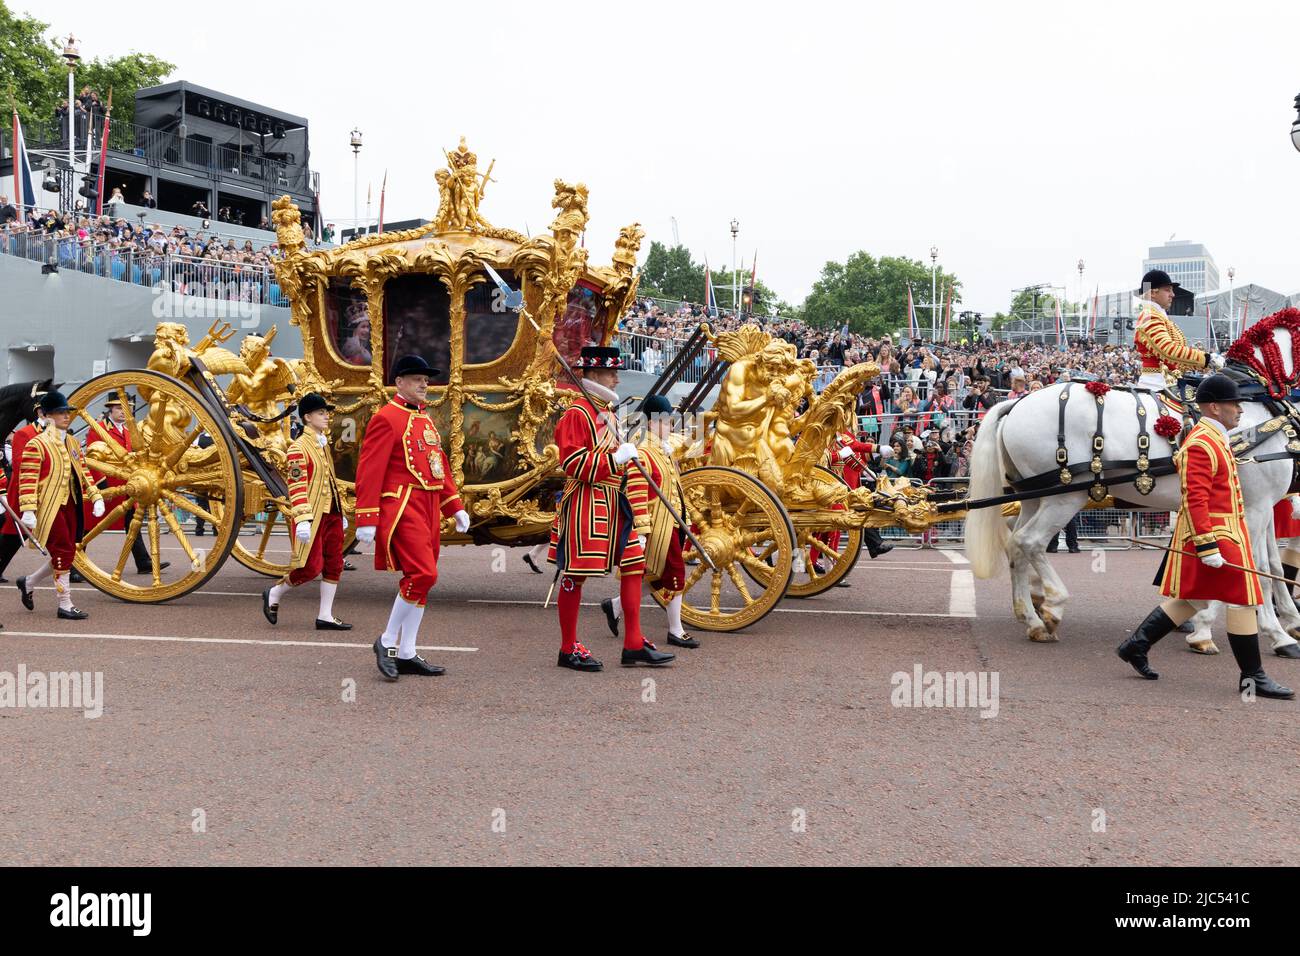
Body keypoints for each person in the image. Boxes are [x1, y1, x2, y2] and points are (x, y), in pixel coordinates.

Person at [1116, 375, 1294, 699]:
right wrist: (1208, 545)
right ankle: (1253, 677)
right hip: (1215, 534)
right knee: (1243, 599)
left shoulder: (1216, 437)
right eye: (1234, 404)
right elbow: (1195, 499)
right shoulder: (1201, 442)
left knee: (1194, 598)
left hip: (1225, 531)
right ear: (1215, 407)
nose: (1240, 409)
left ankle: (1135, 644)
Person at [548, 345, 674, 671]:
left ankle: (633, 642)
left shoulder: (606, 412)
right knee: (575, 575)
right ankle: (566, 647)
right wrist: (614, 459)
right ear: (593, 375)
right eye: (611, 372)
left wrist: (623, 460)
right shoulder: (578, 413)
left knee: (634, 563)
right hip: (585, 500)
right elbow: (573, 463)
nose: (617, 378)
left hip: (613, 500)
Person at [354, 355, 469, 681]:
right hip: (402, 505)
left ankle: (407, 652)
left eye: (426, 379)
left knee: (422, 581)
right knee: (423, 574)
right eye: (417, 379)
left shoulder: (426, 419)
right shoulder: (385, 418)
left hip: (428, 505)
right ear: (399, 382)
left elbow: (439, 466)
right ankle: (387, 640)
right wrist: (366, 517)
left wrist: (454, 506)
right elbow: (369, 470)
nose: (424, 384)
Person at [600, 394, 698, 648]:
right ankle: (675, 630)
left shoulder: (663, 451)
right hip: (657, 526)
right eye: (665, 422)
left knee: (655, 577)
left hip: (672, 523)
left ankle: (614, 606)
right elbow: (636, 493)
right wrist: (642, 532)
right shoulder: (642, 452)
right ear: (653, 423)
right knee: (676, 573)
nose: (670, 426)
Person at [261, 393, 351, 630]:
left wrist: (339, 512)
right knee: (310, 568)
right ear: (308, 417)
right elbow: (297, 486)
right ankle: (275, 591)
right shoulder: (298, 448)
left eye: (326, 413)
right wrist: (302, 519)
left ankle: (325, 615)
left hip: (330, 512)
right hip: (310, 516)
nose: (326, 417)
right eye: (322, 413)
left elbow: (330, 480)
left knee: (335, 563)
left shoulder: (321, 443)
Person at [16, 391, 104, 620]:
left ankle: (29, 582)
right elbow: (28, 478)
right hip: (49, 505)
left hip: (70, 503)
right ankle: (65, 603)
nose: (66, 416)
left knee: (66, 551)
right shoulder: (37, 444)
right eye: (60, 412)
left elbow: (83, 471)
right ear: (47, 416)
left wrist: (96, 496)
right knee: (64, 549)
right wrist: (28, 509)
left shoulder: (73, 441)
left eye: (66, 412)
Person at [84, 398, 169, 576]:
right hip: (107, 484)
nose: (124, 412)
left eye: (127, 409)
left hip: (128, 485)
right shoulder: (98, 428)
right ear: (110, 410)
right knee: (89, 525)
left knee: (133, 524)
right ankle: (75, 559)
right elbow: (92, 459)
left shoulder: (130, 430)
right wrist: (102, 485)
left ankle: (143, 561)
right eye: (119, 408)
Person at [1133, 269, 1213, 392]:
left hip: (1168, 380)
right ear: (1153, 293)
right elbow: (1168, 350)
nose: (1173, 295)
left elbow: (1176, 360)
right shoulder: (1149, 316)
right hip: (1157, 383)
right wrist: (1205, 359)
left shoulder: (1158, 315)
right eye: (1167, 290)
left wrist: (1201, 365)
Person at [0, 394, 47, 583]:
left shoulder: (61, 434)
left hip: (53, 493)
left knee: (64, 536)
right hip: (26, 492)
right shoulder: (25, 433)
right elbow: (20, 465)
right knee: (13, 537)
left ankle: (70, 567)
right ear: (40, 411)